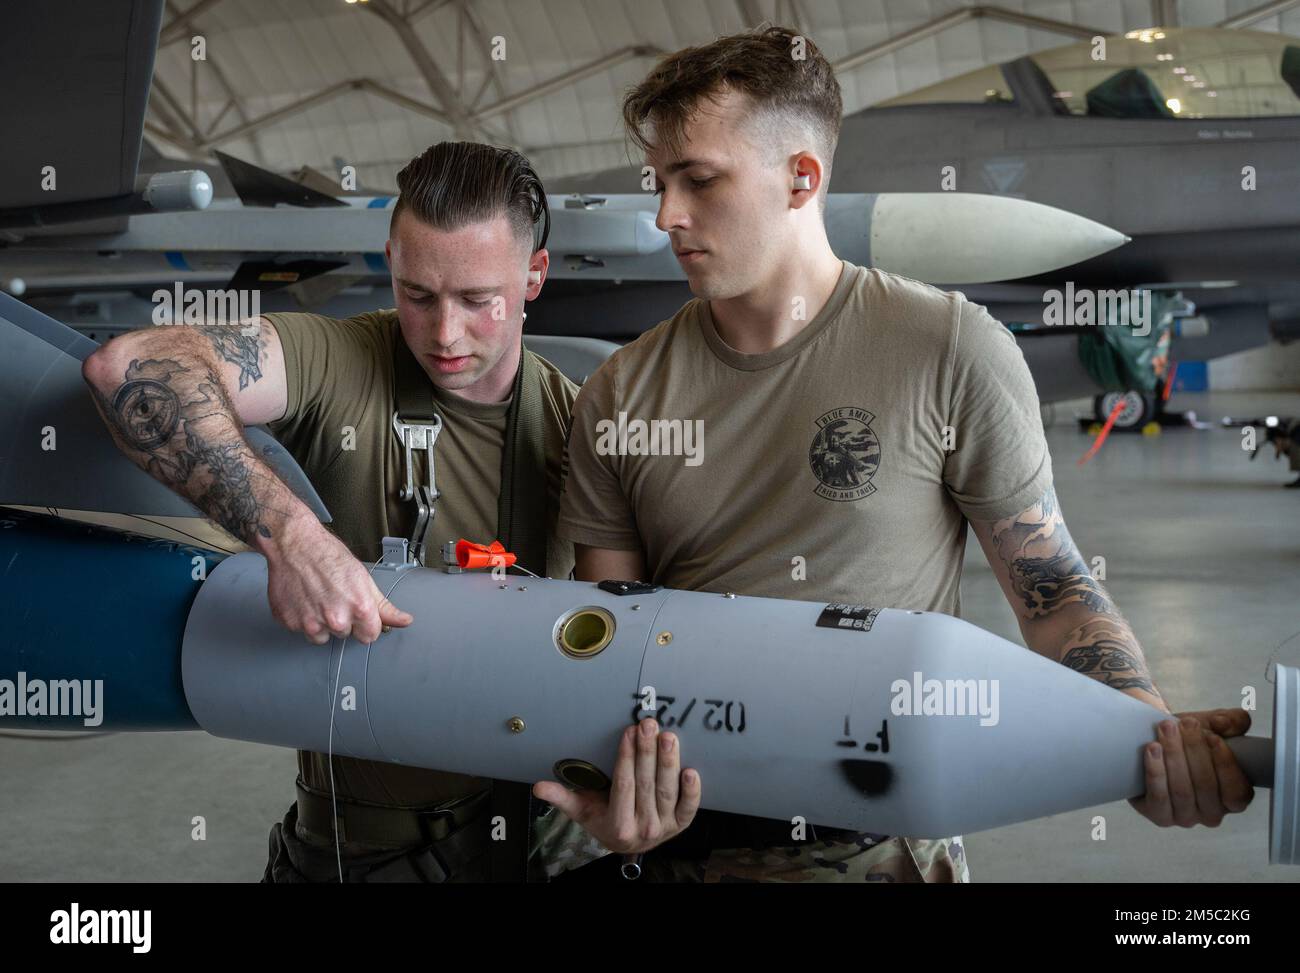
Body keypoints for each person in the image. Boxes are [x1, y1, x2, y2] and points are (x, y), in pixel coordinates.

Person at [549, 25, 1254, 883]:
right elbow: (606, 644)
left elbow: (1056, 592)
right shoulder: (621, 392)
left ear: (802, 177)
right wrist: (613, 806)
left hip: (884, 855)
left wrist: (1144, 733)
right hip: (687, 851)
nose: (666, 216)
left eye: (698, 180)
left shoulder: (951, 348)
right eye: (660, 183)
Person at [82, 141, 694, 882]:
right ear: (390, 263)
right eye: (417, 294)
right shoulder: (341, 363)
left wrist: (636, 811)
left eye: (476, 300)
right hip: (356, 852)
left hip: (538, 841)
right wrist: (292, 536)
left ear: (534, 277)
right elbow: (129, 370)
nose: (443, 334)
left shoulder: (584, 431)